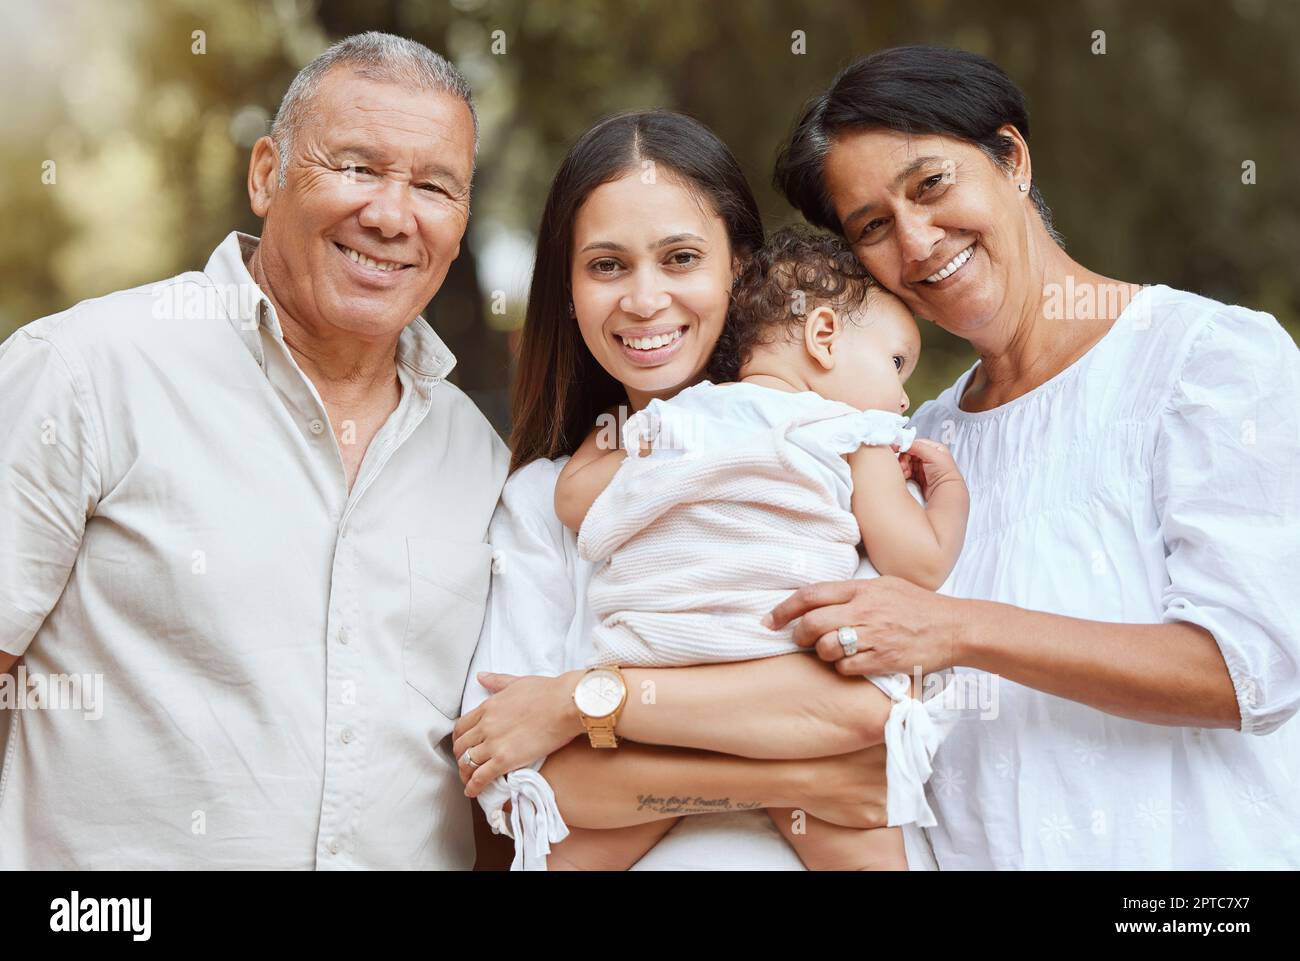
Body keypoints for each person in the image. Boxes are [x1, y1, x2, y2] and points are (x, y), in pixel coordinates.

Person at [766, 45, 1300, 868]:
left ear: (1011, 159)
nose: (916, 241)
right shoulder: (912, 449)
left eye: (931, 185)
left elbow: (1249, 670)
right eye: (872, 226)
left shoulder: (1206, 360)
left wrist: (956, 629)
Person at [0, 32, 507, 869]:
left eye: (433, 186)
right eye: (355, 166)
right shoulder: (85, 373)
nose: (390, 214)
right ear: (267, 174)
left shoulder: (478, 458)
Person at [456, 110, 921, 872]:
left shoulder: (824, 454)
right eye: (606, 265)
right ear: (567, 290)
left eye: (679, 258)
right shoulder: (542, 503)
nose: (644, 300)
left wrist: (584, 703)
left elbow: (868, 718)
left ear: (738, 268)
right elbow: (529, 790)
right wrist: (800, 773)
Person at [546, 225, 968, 870]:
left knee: (570, 854)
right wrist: (947, 490)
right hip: (778, 683)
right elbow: (921, 563)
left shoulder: (677, 418)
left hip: (656, 668)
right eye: (895, 363)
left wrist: (628, 432)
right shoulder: (852, 432)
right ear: (823, 336)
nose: (905, 394)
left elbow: (574, 502)